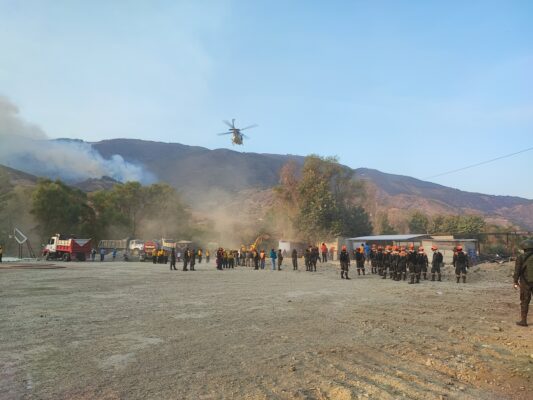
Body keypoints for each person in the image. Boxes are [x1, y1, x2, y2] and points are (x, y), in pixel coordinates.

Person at [513, 239, 533, 327]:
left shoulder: (521, 257)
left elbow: (517, 270)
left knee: (525, 301)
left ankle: (524, 321)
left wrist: (515, 281)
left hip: (526, 282)